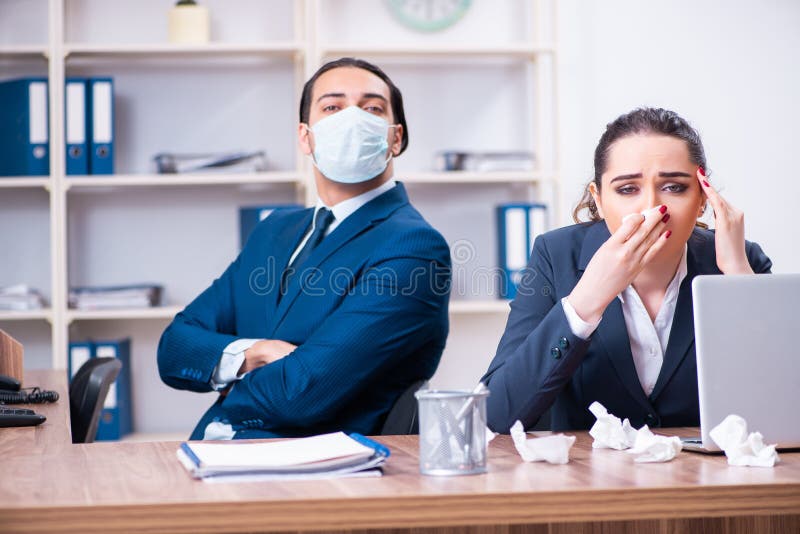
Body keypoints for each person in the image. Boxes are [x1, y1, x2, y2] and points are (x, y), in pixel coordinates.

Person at [158, 58, 451, 440]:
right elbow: (174, 348)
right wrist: (254, 354)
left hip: (313, 478)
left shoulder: (413, 248)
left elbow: (300, 393)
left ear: (395, 138)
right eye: (332, 107)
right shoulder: (275, 230)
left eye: (372, 108)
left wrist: (228, 369)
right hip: (212, 457)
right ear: (305, 136)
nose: (352, 118)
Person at [482, 107, 771, 433]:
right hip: (590, 479)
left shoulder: (742, 260)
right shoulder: (555, 255)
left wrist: (740, 281)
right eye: (627, 189)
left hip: (709, 481)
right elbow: (495, 416)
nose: (650, 206)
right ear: (599, 198)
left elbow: (782, 403)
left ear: (703, 198)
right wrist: (586, 301)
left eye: (674, 187)